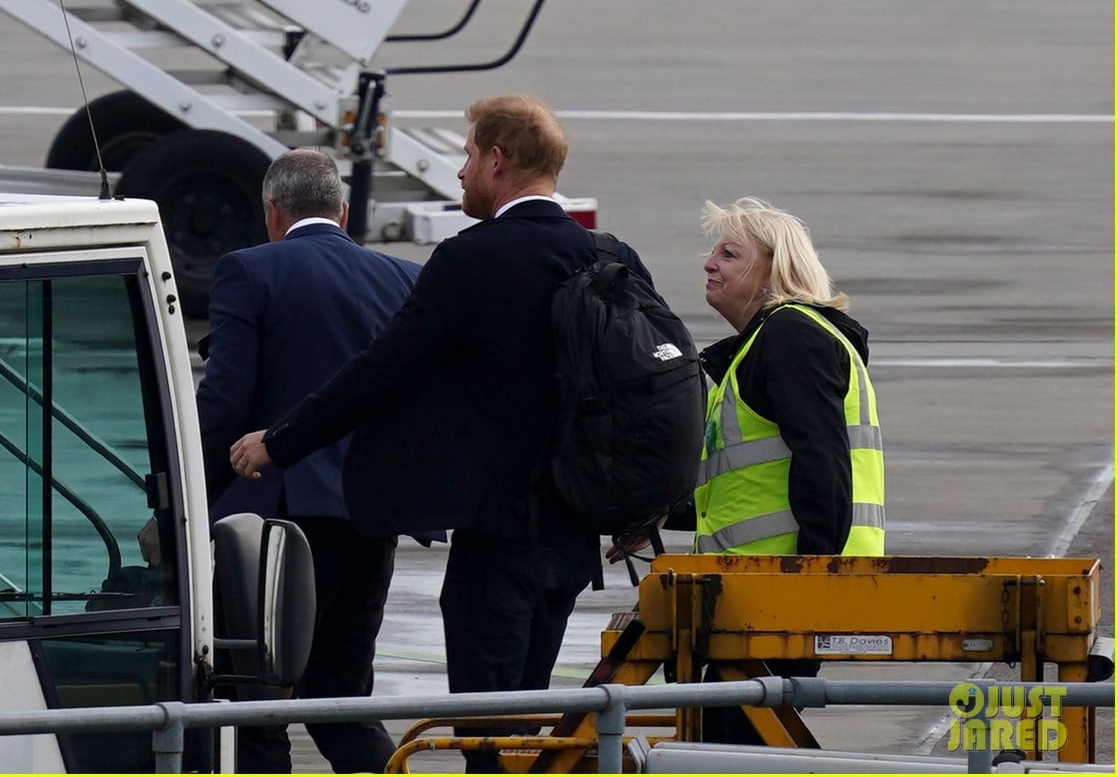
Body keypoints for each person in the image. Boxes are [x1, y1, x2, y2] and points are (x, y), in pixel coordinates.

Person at [228, 94, 659, 773]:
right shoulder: (609, 255)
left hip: (498, 541)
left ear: (496, 160)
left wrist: (279, 441)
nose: (458, 174)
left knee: (486, 737)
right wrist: (641, 507)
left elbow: (379, 373)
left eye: (465, 156)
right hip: (572, 545)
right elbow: (645, 390)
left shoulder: (473, 259)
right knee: (520, 724)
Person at [196, 148, 425, 774]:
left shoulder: (249, 270)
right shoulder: (401, 278)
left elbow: (224, 400)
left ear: (272, 212)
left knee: (253, 705)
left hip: (274, 526)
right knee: (343, 700)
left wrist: (188, 493)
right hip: (366, 519)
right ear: (344, 211)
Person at [689, 196, 885, 743]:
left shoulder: (791, 335)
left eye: (729, 253)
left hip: (781, 593)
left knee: (737, 744)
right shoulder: (766, 344)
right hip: (759, 594)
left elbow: (823, 464)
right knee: (731, 739)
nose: (709, 263)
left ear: (774, 272)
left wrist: (810, 583)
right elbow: (747, 480)